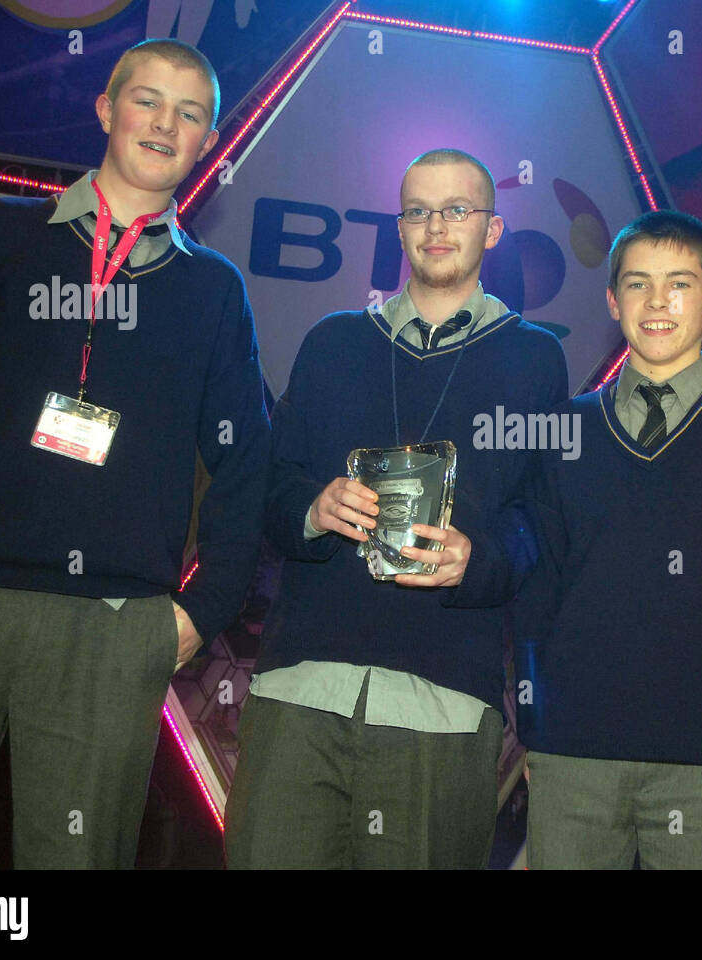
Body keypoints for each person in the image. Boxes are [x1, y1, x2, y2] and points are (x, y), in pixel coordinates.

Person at [0, 39, 271, 868]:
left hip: (110, 626)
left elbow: (248, 463)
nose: (164, 123)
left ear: (208, 142)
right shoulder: (0, 236)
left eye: (189, 113)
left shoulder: (214, 291)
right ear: (105, 109)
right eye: (147, 100)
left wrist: (201, 611)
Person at [224, 148, 568, 869]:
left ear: (492, 229)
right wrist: (313, 510)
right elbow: (271, 488)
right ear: (399, 228)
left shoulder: (534, 358)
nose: (435, 227)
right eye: (417, 211)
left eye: (456, 210)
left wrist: (478, 560)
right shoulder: (333, 341)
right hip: (301, 686)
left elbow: (540, 521)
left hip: (442, 700)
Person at [512, 210, 702, 869]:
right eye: (637, 284)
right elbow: (538, 594)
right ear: (612, 300)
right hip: (575, 755)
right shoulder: (564, 432)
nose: (657, 302)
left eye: (679, 284)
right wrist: (536, 729)